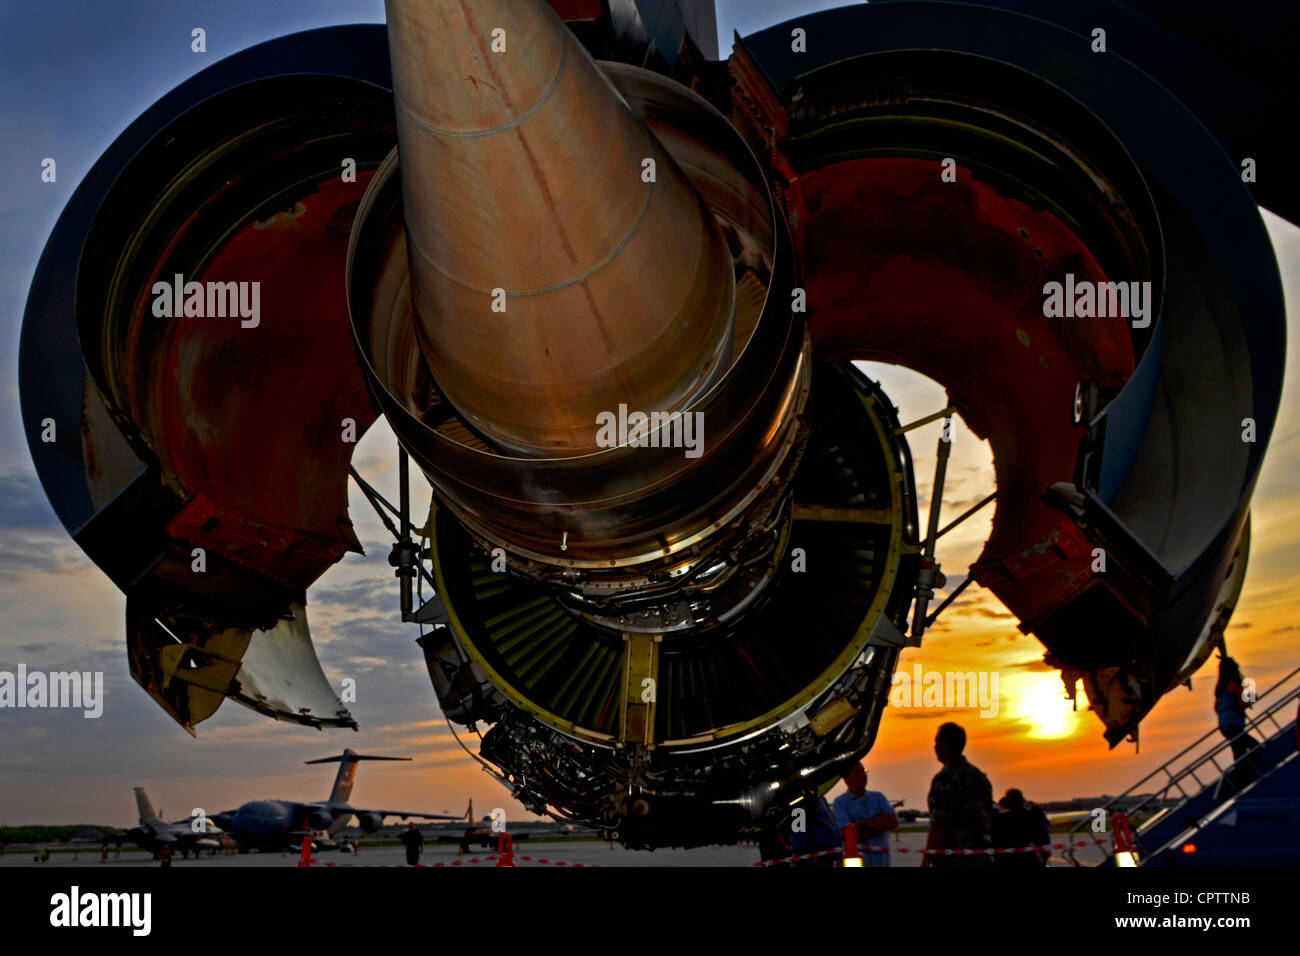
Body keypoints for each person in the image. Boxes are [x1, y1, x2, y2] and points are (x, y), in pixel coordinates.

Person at [923, 722, 994, 867]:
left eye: (937, 742)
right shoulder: (979, 777)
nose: (934, 747)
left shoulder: (946, 778)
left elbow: (938, 826)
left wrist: (925, 862)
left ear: (945, 744)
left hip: (954, 860)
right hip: (982, 859)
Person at [832, 763, 897, 867]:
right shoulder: (840, 803)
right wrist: (878, 825)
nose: (862, 775)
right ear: (846, 779)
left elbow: (892, 822)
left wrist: (862, 824)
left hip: (881, 862)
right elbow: (846, 834)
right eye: (857, 772)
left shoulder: (878, 797)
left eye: (864, 771)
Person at [1215, 656, 1261, 787]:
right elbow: (1243, 704)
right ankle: (1244, 780)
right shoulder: (1234, 686)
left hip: (1225, 726)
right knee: (1255, 749)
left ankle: (1243, 779)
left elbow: (1216, 708)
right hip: (1235, 725)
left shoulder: (1219, 689)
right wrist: (1251, 698)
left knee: (1239, 752)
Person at [991, 788, 1050, 867]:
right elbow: (1037, 838)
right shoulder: (1029, 815)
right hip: (1028, 858)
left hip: (1004, 859)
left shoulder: (997, 818)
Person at [787, 792, 843, 867]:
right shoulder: (799, 802)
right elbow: (798, 840)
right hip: (816, 860)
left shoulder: (820, 798)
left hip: (829, 858)